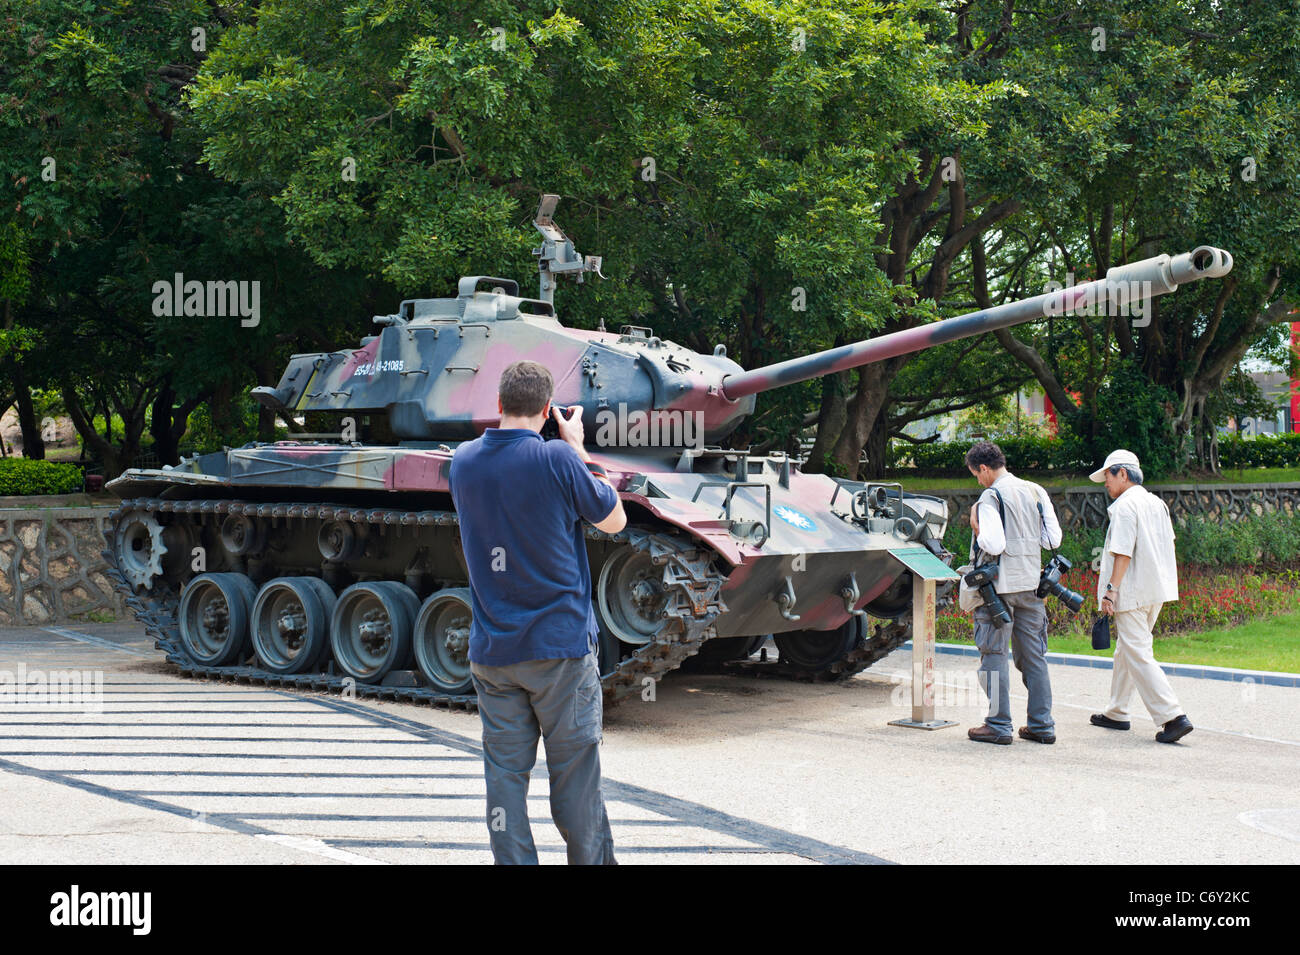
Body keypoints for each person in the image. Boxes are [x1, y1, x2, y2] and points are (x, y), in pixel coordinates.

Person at [448, 359, 627, 864]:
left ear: (499, 404)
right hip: (559, 652)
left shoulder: (462, 461)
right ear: (547, 410)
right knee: (575, 777)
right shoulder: (556, 458)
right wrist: (577, 445)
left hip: (494, 650)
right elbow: (614, 519)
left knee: (504, 777)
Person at [1088, 449, 1192, 744]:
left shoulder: (1124, 507)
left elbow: (1122, 551)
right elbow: (1166, 544)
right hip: (1155, 590)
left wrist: (1111, 591)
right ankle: (1117, 711)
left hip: (1131, 591)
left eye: (1107, 476)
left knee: (1138, 652)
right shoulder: (1156, 503)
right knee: (1128, 650)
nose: (1105, 483)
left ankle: (1173, 716)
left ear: (1123, 473)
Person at [964, 441, 1063, 745]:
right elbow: (1052, 539)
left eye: (976, 475)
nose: (978, 481)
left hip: (999, 591)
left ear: (984, 468)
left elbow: (994, 545)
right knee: (1035, 657)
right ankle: (1041, 725)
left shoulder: (991, 496)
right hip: (1032, 586)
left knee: (993, 655)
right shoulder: (1035, 490)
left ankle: (997, 724)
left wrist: (977, 528)